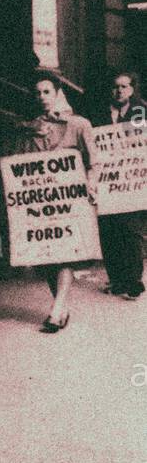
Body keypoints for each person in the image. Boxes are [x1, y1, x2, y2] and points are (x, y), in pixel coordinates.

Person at [12, 69, 100, 330]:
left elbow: (93, 163)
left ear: (58, 93)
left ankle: (56, 310)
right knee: (48, 258)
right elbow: (20, 168)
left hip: (71, 202)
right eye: (37, 93)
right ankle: (61, 308)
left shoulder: (79, 125)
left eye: (47, 91)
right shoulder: (29, 129)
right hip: (41, 205)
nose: (41, 97)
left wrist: (91, 185)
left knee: (65, 255)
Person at [96, 70, 146, 299]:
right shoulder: (99, 113)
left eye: (124, 87)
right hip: (106, 180)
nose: (119, 91)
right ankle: (116, 279)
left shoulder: (142, 112)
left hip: (132, 179)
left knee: (132, 229)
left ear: (132, 89)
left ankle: (134, 280)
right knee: (109, 231)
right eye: (116, 87)